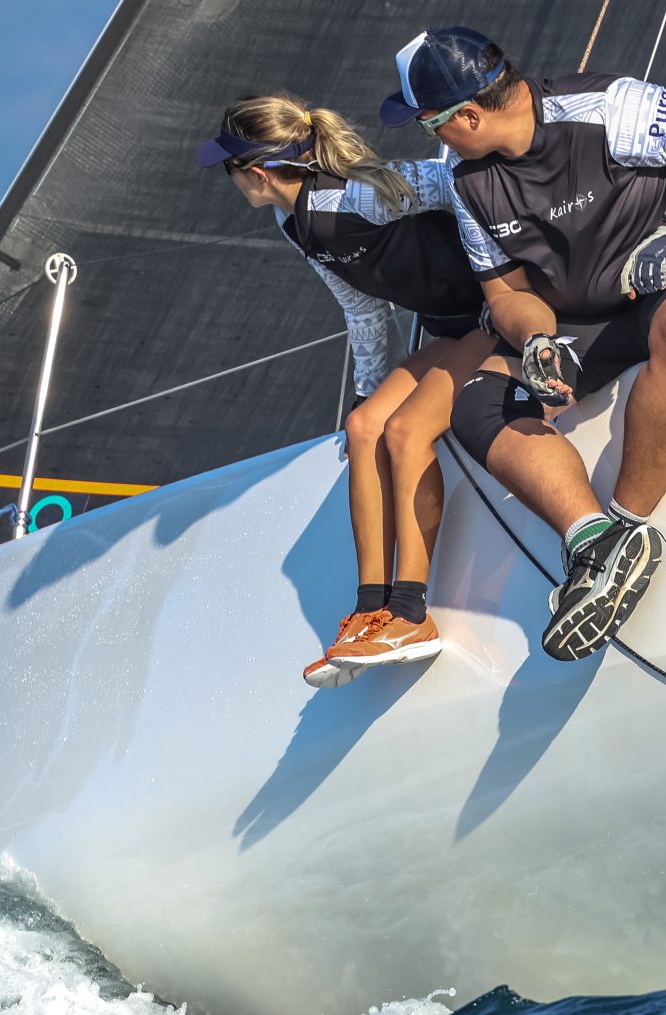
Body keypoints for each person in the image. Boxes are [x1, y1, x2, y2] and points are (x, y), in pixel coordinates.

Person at [378, 28, 666, 661]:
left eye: (428, 124)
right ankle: (595, 543)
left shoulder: (602, 107)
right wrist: (537, 339)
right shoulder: (466, 184)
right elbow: (507, 292)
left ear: (467, 116)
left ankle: (630, 527)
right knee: (479, 400)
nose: (432, 139)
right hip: (603, 310)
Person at [197, 94, 496, 686]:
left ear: (255, 172)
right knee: (364, 427)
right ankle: (369, 613)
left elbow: (459, 183)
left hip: (497, 317)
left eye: (229, 167)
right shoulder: (293, 223)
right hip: (454, 329)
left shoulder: (357, 195)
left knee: (406, 430)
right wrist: (367, 389)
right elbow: (362, 308)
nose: (229, 179)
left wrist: (500, 278)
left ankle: (410, 614)